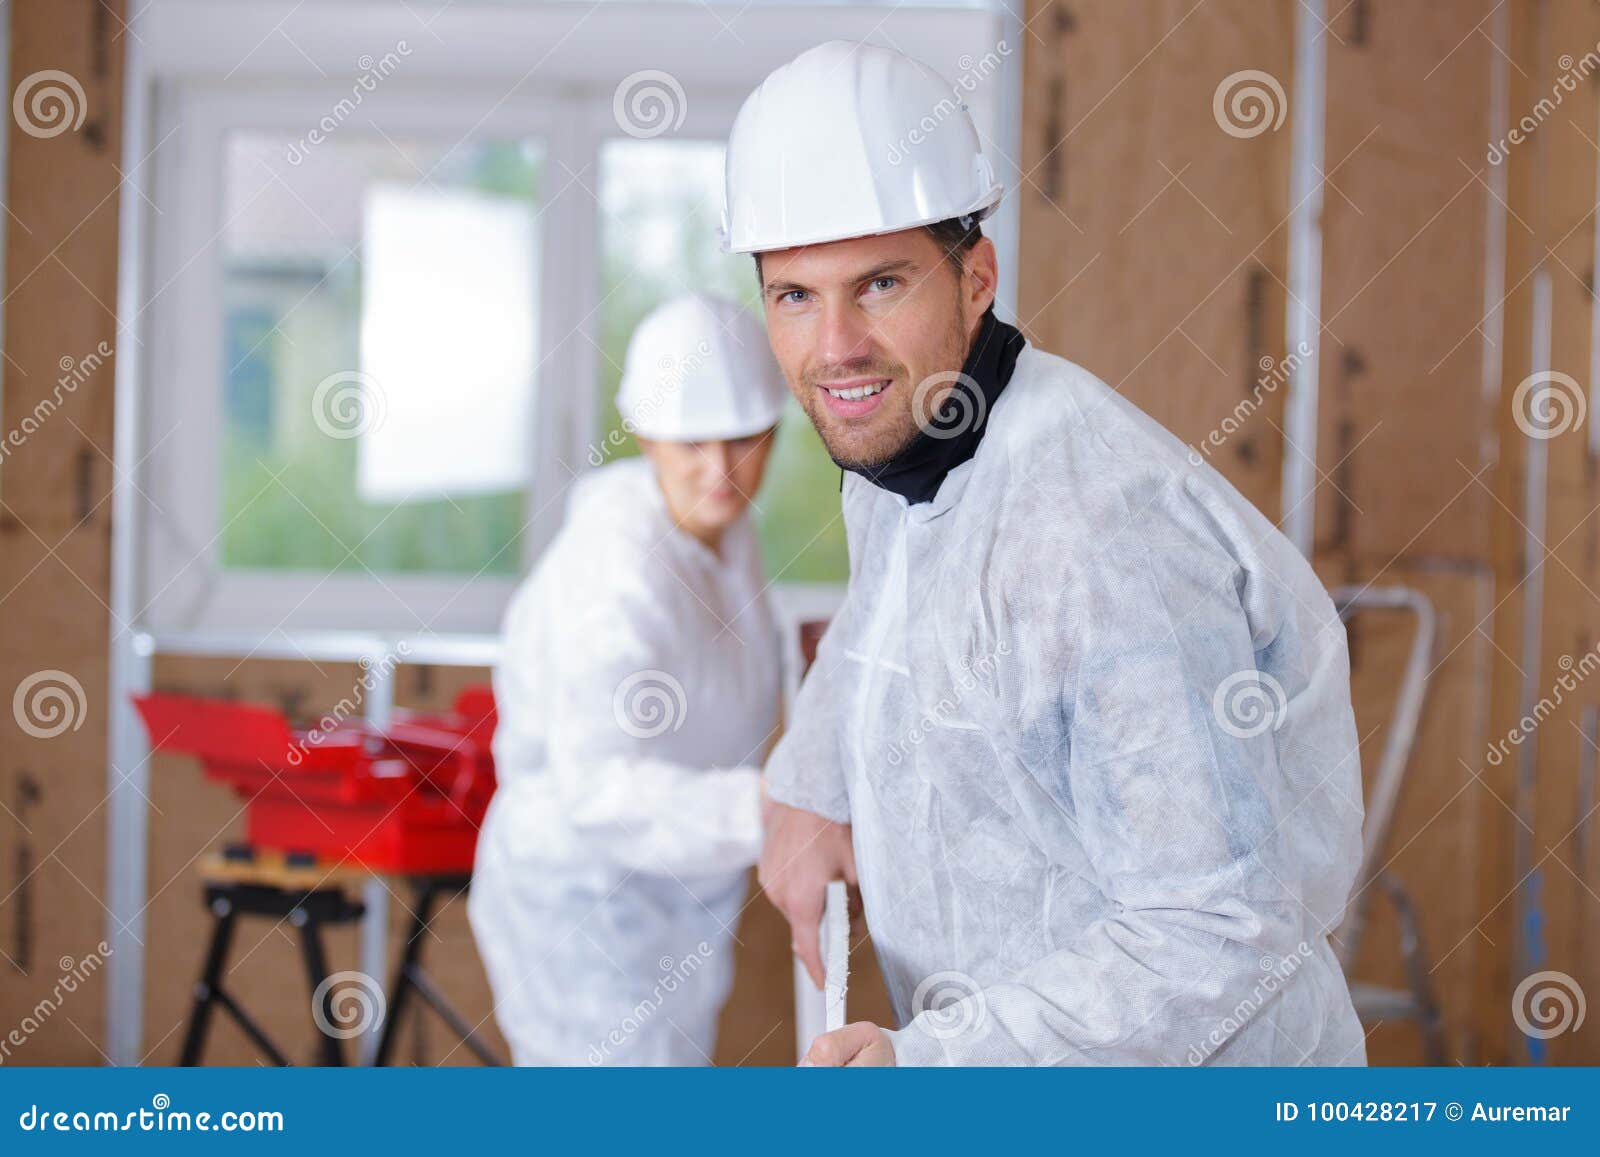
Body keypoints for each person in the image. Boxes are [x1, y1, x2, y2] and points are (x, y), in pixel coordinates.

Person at [734, 41, 1367, 1066]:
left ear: (975, 278)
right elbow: (881, 623)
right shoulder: (908, 448)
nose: (835, 346)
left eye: (880, 283)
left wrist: (930, 1063)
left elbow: (1215, 934)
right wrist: (809, 784)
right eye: (794, 295)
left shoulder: (1102, 541)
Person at [468, 293, 787, 1065]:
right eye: (693, 443)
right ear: (645, 436)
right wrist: (782, 810)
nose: (720, 469)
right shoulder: (613, 570)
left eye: (743, 439)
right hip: (586, 901)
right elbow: (601, 788)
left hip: (681, 893)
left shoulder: (723, 528)